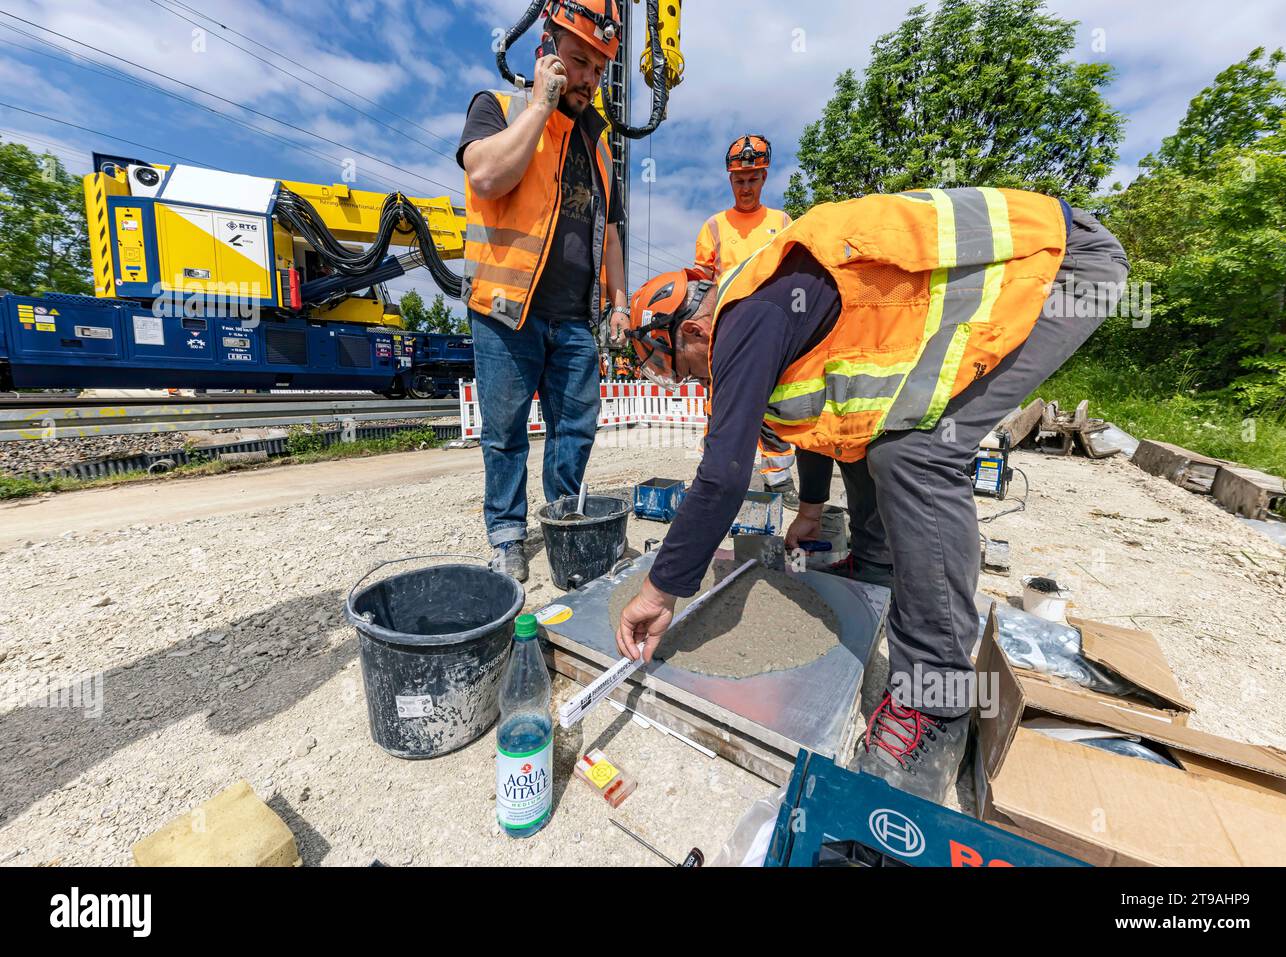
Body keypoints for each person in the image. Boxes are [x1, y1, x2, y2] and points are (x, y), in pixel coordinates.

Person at [615, 187, 1129, 802]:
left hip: (1061, 266)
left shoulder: (746, 314)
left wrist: (659, 590)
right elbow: (832, 421)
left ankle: (935, 704)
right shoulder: (767, 314)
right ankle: (881, 571)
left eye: (676, 363)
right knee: (878, 431)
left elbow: (722, 476)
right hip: (1046, 259)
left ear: (695, 328)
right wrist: (810, 510)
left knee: (917, 451)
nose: (687, 380)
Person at [457, 0, 629, 582]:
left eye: (598, 69)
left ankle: (563, 522)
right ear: (546, 49)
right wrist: (540, 106)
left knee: (575, 428)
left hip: (576, 318)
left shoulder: (599, 144)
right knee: (504, 432)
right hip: (507, 309)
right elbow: (486, 176)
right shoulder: (498, 108)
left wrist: (621, 303)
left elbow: (609, 231)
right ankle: (507, 534)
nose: (588, 78)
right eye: (579, 61)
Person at [694, 134, 799, 509]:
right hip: (727, 330)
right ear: (730, 180)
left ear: (764, 177)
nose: (746, 188)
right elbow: (702, 281)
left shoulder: (781, 221)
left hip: (771, 330)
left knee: (771, 405)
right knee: (721, 408)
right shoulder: (715, 226)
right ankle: (715, 475)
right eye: (739, 181)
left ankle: (779, 479)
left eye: (753, 179)